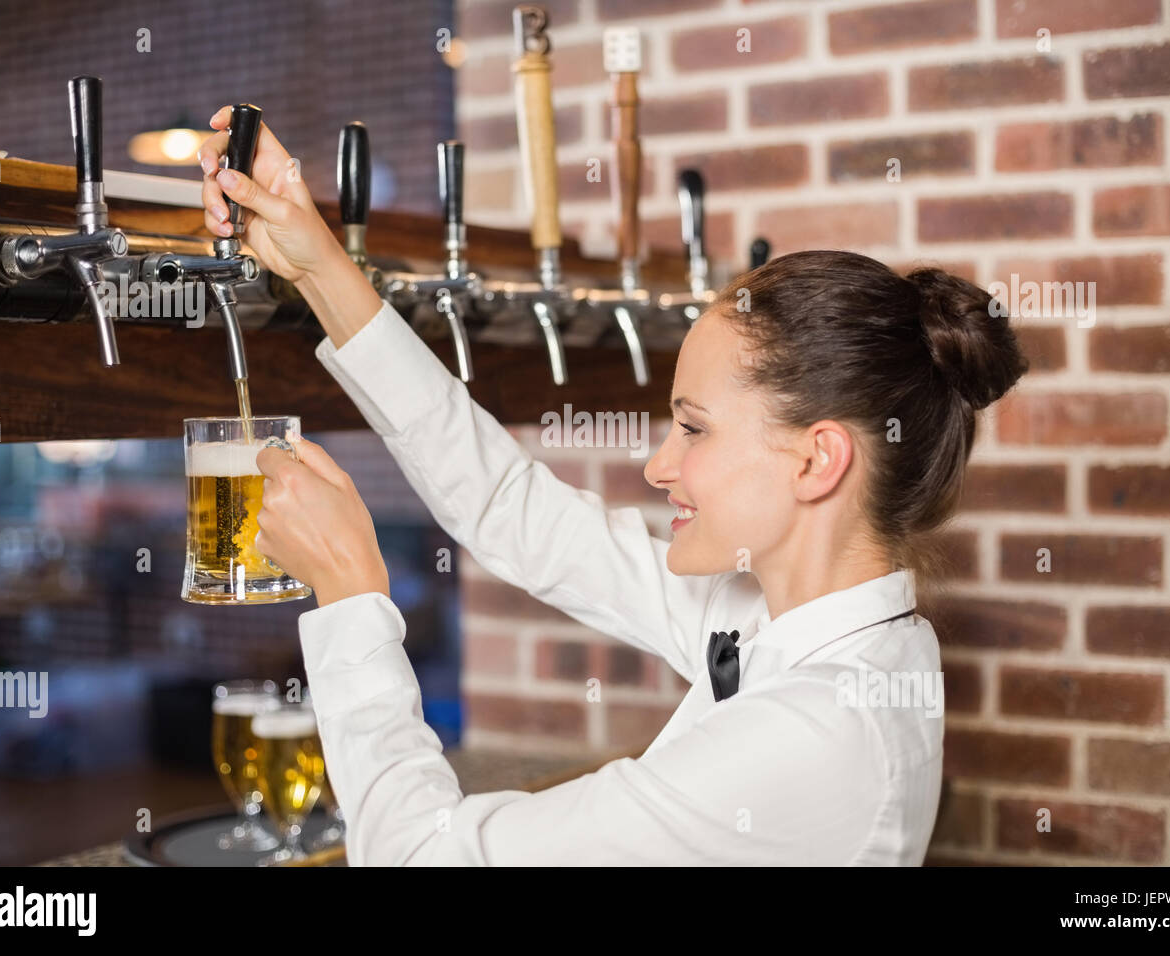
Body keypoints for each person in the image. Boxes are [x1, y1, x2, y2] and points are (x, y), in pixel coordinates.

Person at [196, 106, 1029, 866]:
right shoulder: (790, 616)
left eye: (694, 428)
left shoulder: (813, 739)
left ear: (817, 460)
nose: (658, 466)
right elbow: (513, 511)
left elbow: (420, 858)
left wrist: (350, 599)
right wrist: (320, 267)